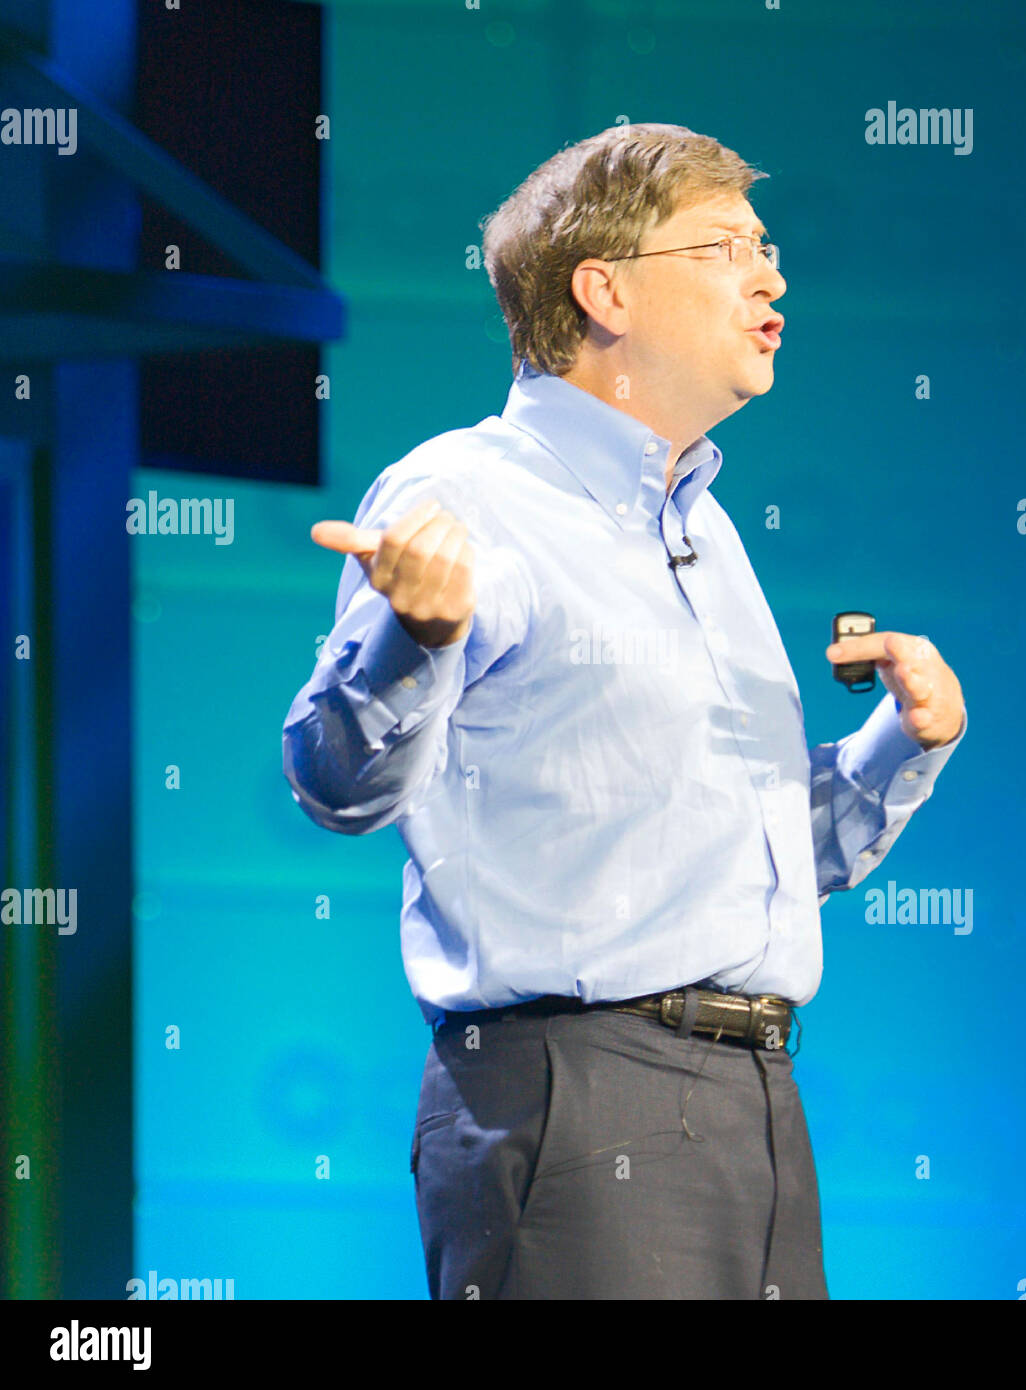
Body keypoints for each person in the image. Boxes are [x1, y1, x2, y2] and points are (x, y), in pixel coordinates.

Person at [282, 122, 967, 1300]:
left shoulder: (707, 529)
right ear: (604, 290)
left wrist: (896, 746)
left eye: (769, 245)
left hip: (757, 1100)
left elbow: (742, 865)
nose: (773, 275)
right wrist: (411, 636)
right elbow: (335, 786)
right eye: (728, 246)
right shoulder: (466, 493)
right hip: (578, 1098)